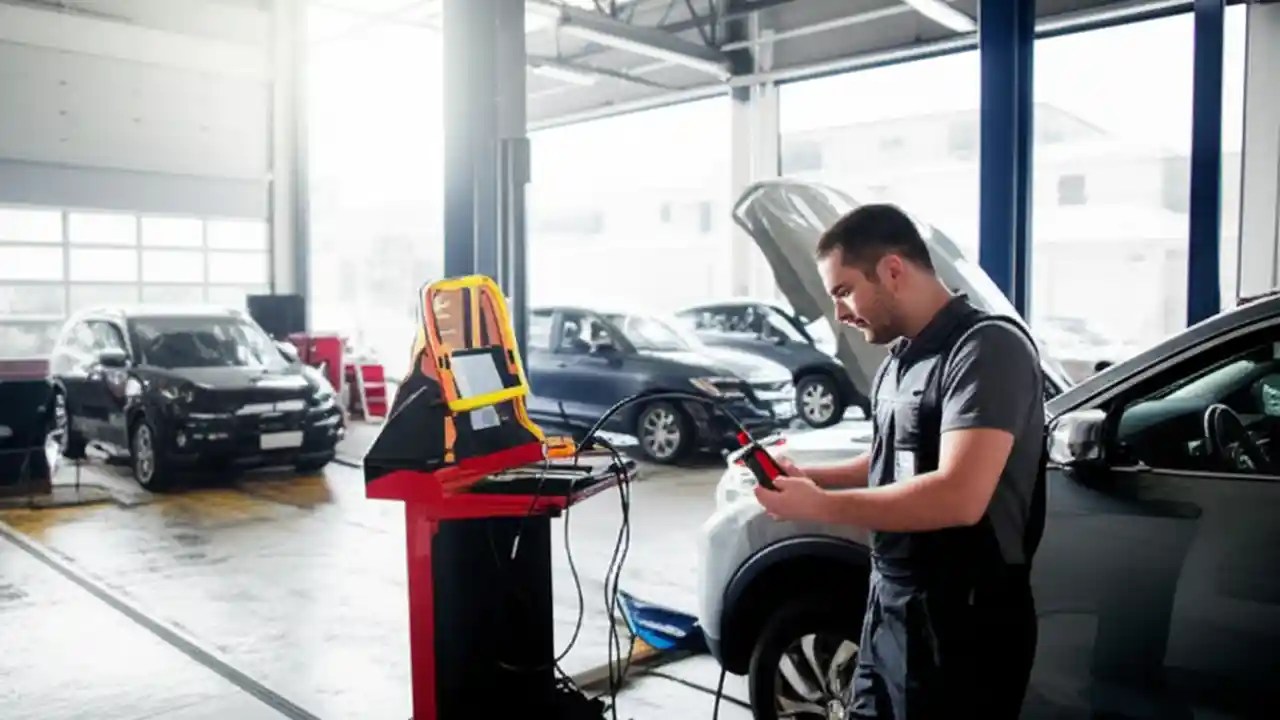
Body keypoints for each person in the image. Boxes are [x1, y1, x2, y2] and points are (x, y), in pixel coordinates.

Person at [754, 204, 1045, 719]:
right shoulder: (898, 360)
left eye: (843, 291)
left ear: (892, 270)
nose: (839, 313)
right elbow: (893, 458)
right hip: (889, 602)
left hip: (963, 620)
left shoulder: (985, 349)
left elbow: (959, 494)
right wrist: (811, 477)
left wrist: (822, 507)